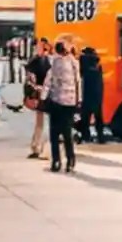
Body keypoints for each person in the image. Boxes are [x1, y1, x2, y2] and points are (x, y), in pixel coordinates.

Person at [45, 40, 80, 172]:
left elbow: (48, 81)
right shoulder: (74, 63)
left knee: (54, 134)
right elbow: (78, 82)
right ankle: (70, 160)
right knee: (67, 133)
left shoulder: (54, 62)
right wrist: (78, 99)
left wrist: (43, 98)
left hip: (56, 101)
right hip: (70, 103)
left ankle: (56, 161)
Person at [25, 38, 53, 159]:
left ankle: (38, 147)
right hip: (48, 94)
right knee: (44, 123)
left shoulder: (36, 61)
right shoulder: (50, 60)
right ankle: (42, 148)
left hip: (41, 93)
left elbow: (30, 78)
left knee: (41, 123)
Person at [79, 47, 105, 143]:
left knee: (85, 117)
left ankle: (85, 136)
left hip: (87, 94)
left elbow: (81, 72)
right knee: (98, 117)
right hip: (97, 94)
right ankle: (100, 136)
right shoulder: (98, 65)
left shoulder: (84, 63)